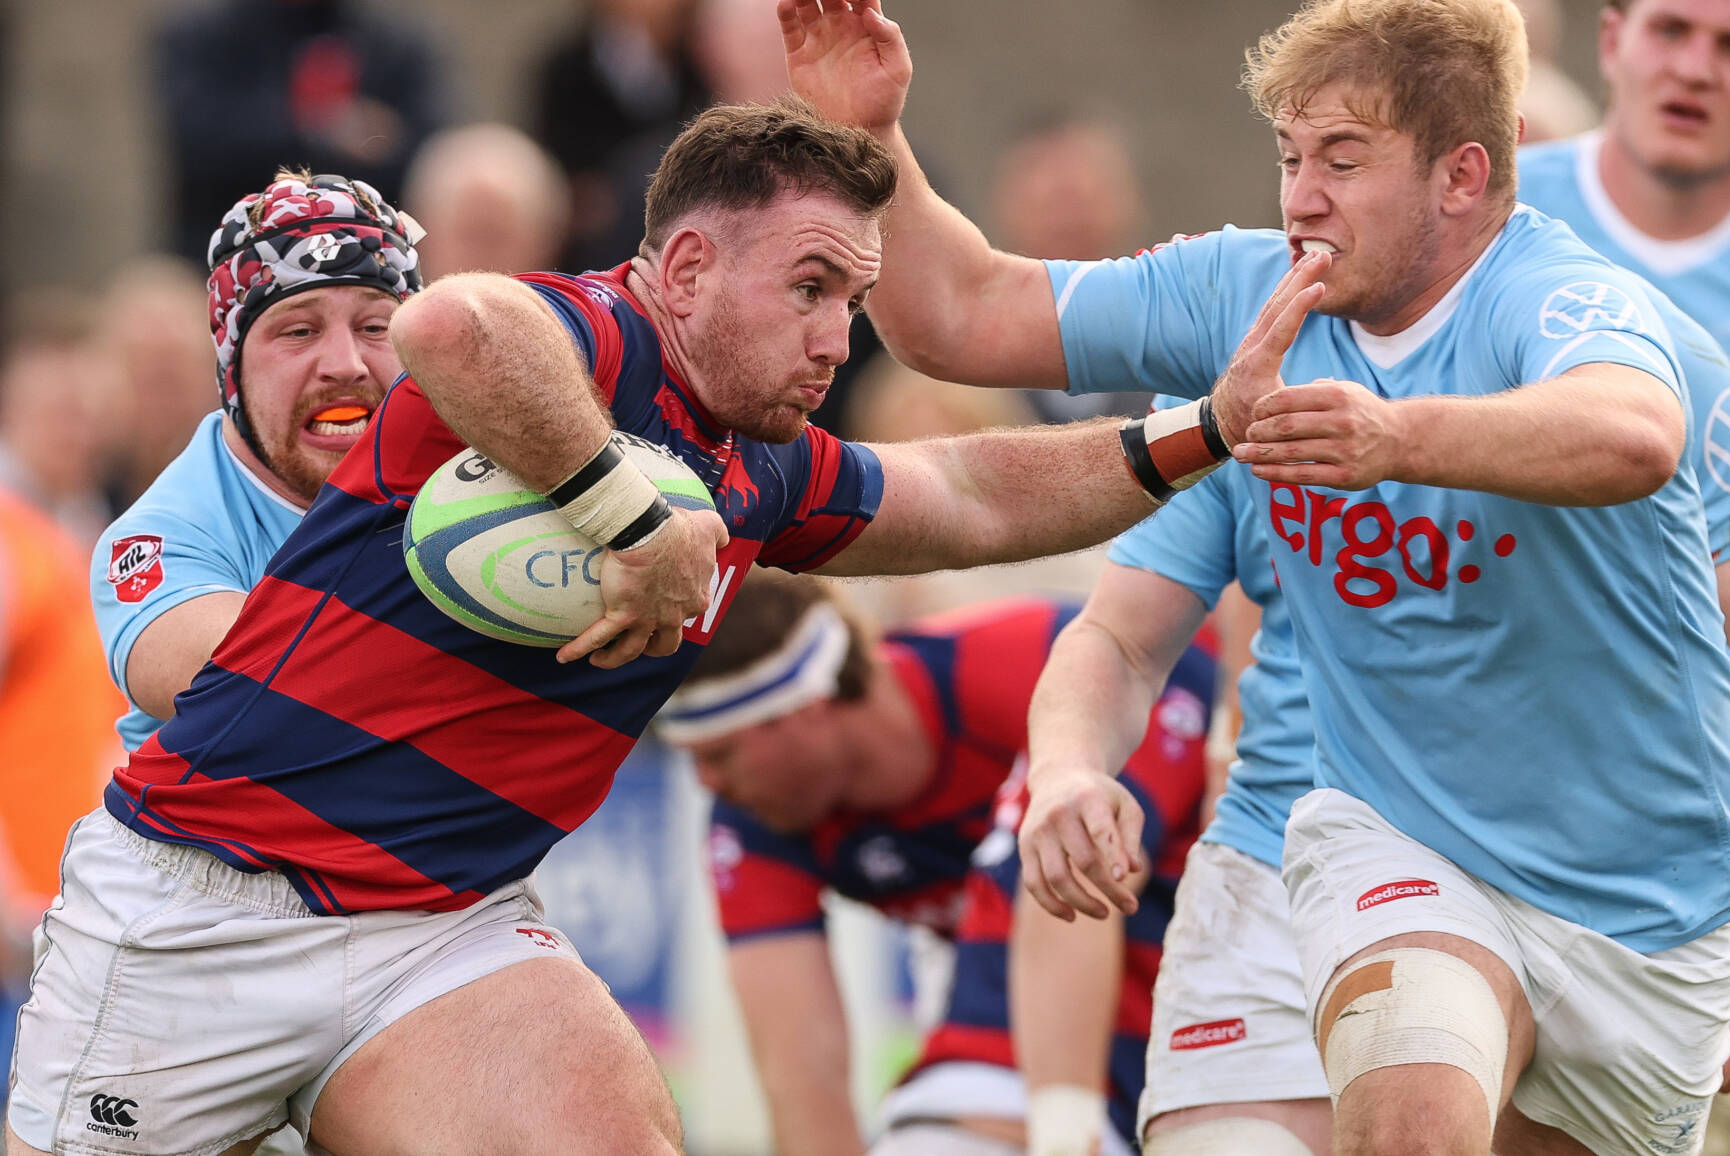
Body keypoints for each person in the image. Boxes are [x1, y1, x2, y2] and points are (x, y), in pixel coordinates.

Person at [7, 99, 1270, 1156]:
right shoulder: (589, 336)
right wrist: (624, 510)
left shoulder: (761, 465)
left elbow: (975, 495)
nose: (839, 337)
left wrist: (1205, 428)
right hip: (202, 913)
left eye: (853, 299)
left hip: (438, 925)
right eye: (812, 289)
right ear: (682, 270)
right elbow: (451, 323)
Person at [784, 1, 1730, 1153]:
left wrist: (1393, 437)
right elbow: (963, 314)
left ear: (1460, 175)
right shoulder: (1251, 323)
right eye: (1289, 157)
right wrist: (866, 140)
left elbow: (1633, 436)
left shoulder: (1578, 308)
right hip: (1369, 838)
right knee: (1410, 1103)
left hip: (1637, 904)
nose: (1299, 199)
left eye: (1341, 160)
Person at [657, 571, 1213, 1156]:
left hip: (1204, 922)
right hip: (1028, 983)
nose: (707, 784)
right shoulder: (750, 820)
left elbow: (1075, 891)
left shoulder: (1028, 666)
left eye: (718, 754)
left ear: (802, 707)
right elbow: (799, 1073)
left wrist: (1063, 1134)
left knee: (1047, 867)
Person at [88, 170, 424, 755]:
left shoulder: (472, 466)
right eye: (299, 330)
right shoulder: (158, 536)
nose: (344, 364)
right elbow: (252, 685)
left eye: (376, 327)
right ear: (232, 373)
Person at [1518, 0, 1730, 609]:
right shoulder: (1488, 212)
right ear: (1612, 41)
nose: (1695, 70)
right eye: (1670, 30)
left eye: (1728, 45)